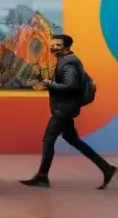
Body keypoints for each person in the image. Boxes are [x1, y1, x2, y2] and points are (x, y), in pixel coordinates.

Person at [21, 33, 116, 189]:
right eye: (52, 44)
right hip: (66, 107)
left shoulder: (69, 63)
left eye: (57, 45)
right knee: (72, 139)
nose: (53, 47)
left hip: (64, 109)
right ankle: (107, 168)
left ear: (66, 47)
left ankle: (42, 177)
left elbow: (71, 86)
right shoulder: (65, 61)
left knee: (49, 138)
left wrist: (49, 84)